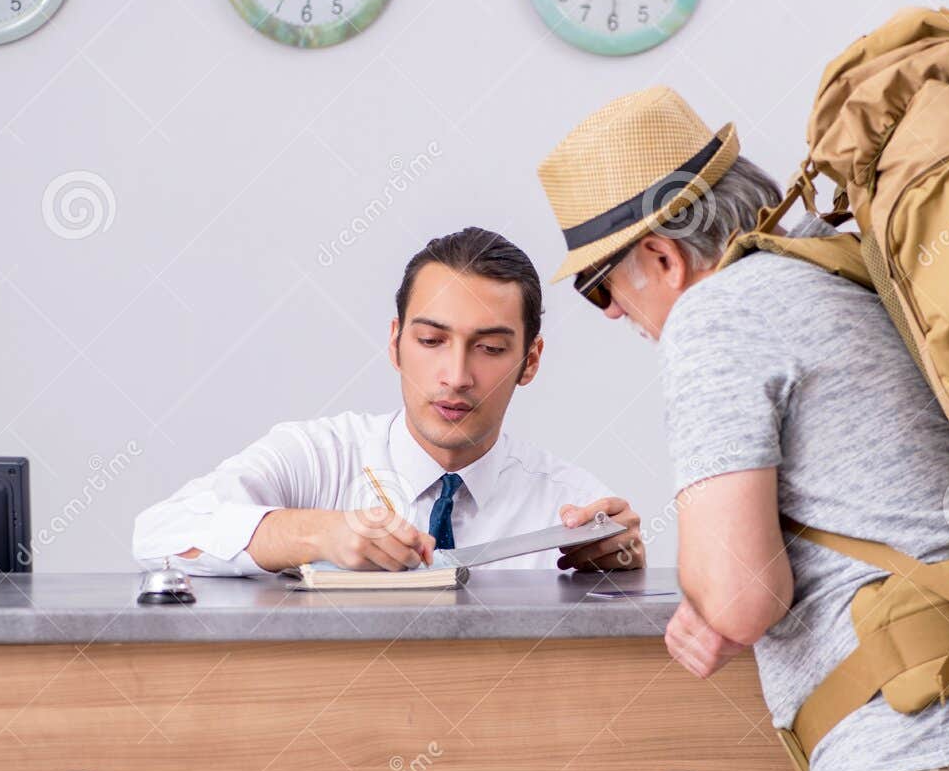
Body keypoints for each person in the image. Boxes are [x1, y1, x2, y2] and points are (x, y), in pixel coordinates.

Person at [535, 86, 949, 771]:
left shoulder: (718, 315)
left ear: (663, 257)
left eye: (600, 285)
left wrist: (717, 601)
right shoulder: (856, 273)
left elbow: (741, 595)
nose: (609, 313)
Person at [133, 227, 643, 575]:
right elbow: (157, 534)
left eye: (489, 348)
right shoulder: (315, 458)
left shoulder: (570, 508)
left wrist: (623, 578)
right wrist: (317, 534)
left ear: (530, 361)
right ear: (395, 342)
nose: (457, 376)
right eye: (430, 341)